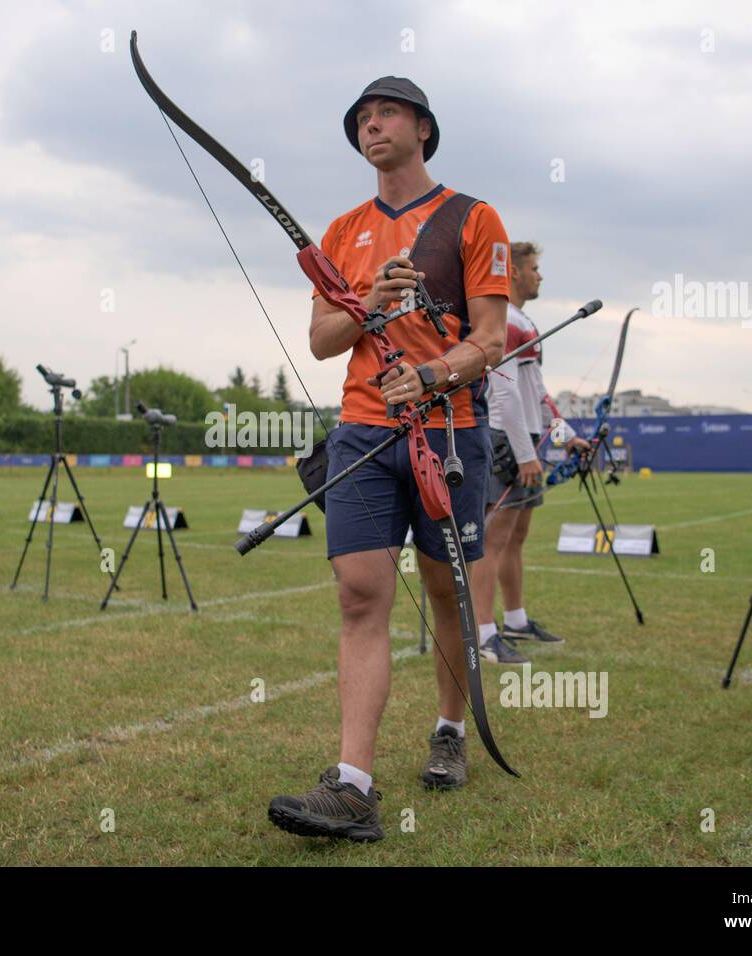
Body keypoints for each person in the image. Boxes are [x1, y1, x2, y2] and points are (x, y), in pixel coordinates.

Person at [266, 77, 509, 842]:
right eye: (362, 120)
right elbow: (321, 342)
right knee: (361, 595)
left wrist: (433, 373)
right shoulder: (341, 231)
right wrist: (369, 300)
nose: (372, 126)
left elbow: (491, 341)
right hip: (363, 433)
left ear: (423, 129)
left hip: (449, 432)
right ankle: (354, 785)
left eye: (387, 114)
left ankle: (449, 730)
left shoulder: (473, 218)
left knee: (445, 593)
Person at [475, 243, 591, 659]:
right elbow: (504, 394)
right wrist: (526, 454)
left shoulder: (523, 320)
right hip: (509, 441)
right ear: (515, 274)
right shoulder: (504, 319)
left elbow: (537, 394)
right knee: (494, 538)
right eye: (534, 269)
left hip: (526, 440)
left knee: (516, 537)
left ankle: (516, 620)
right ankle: (484, 633)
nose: (540, 276)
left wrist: (566, 436)